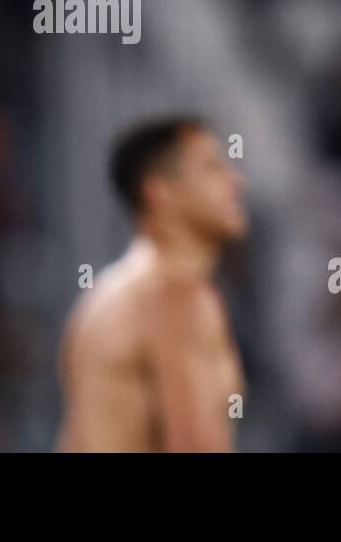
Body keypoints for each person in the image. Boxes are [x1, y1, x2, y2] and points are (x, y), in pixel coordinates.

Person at [57, 117, 249, 451]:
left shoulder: (104, 294)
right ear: (160, 191)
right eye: (212, 168)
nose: (235, 182)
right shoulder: (176, 296)